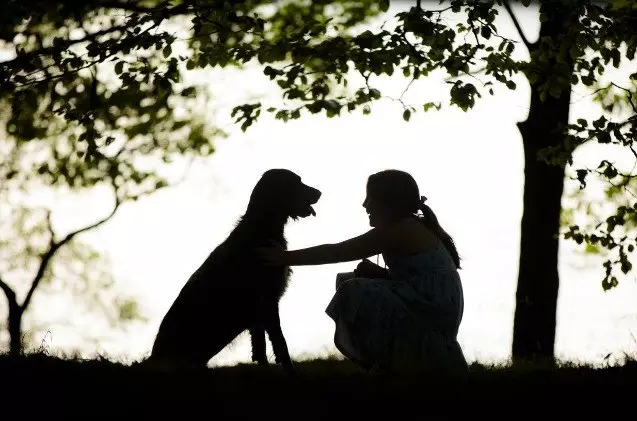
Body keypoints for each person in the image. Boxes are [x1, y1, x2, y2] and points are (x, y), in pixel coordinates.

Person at [258, 169, 468, 373]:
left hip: (432, 313)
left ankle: (392, 363)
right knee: (348, 280)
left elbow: (336, 252)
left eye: (371, 199)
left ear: (390, 204)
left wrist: (285, 257)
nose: (365, 205)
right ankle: (396, 360)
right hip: (432, 305)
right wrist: (383, 275)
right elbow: (419, 279)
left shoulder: (396, 231)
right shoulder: (410, 226)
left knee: (353, 290)